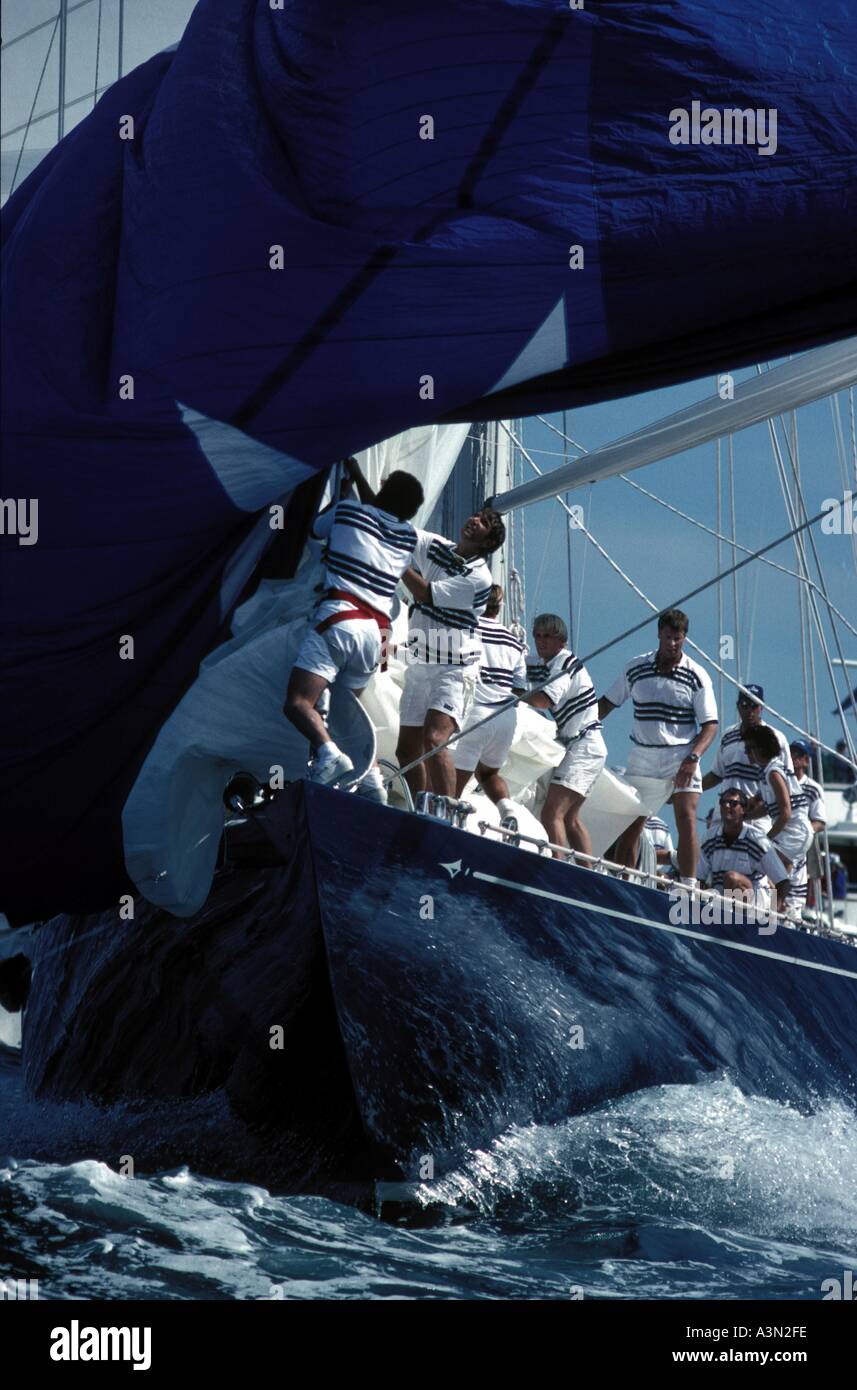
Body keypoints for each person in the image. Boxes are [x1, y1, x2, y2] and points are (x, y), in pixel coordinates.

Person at [285, 458, 423, 796]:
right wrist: (359, 480)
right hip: (377, 638)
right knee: (346, 719)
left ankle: (328, 755)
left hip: (340, 620)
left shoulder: (348, 511)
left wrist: (343, 490)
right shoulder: (408, 537)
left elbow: (315, 530)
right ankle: (372, 780)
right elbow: (379, 509)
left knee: (299, 703)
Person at [598, 608, 718, 885]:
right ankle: (624, 882)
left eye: (678, 638)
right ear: (659, 635)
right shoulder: (636, 668)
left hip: (682, 755)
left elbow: (710, 725)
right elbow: (607, 703)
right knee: (631, 823)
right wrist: (580, 723)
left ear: (685, 638)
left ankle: (688, 887)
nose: (672, 643)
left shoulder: (697, 676)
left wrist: (693, 758)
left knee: (686, 817)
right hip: (644, 756)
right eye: (668, 637)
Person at [396, 507, 505, 799]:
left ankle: (446, 811)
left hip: (453, 669)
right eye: (477, 516)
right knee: (406, 750)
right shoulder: (437, 546)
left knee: (434, 739)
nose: (475, 520)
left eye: (484, 523)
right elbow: (401, 530)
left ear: (488, 542)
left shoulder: (479, 578)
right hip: (420, 663)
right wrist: (385, 502)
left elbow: (426, 594)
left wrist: (398, 562)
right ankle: (420, 809)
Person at [518, 614, 606, 858]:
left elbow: (544, 700)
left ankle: (558, 866)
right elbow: (519, 663)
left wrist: (513, 695)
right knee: (571, 819)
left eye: (547, 636)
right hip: (587, 747)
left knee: (552, 813)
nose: (541, 641)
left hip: (583, 746)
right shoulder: (543, 663)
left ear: (562, 641)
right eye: (537, 636)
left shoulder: (565, 662)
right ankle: (588, 873)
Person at [452, 585, 527, 822]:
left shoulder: (467, 628)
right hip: (506, 717)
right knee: (487, 774)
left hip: (476, 713)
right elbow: (520, 688)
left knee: (452, 785)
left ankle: (448, 822)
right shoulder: (515, 642)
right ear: (500, 607)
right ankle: (508, 811)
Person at [701, 683, 793, 833]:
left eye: (754, 706)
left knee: (758, 847)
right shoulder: (728, 735)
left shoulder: (775, 738)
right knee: (711, 845)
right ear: (738, 706)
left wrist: (760, 802)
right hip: (726, 809)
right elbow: (717, 774)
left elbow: (787, 781)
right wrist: (689, 789)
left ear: (761, 707)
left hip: (756, 814)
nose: (749, 710)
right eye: (745, 705)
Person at [742, 723, 813, 915]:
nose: (747, 753)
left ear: (760, 749)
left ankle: (777, 910)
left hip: (795, 832)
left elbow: (786, 812)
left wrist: (767, 839)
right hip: (790, 830)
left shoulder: (774, 773)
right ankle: (778, 910)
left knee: (765, 862)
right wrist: (746, 816)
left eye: (749, 748)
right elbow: (769, 807)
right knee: (776, 874)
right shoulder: (767, 772)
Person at [697, 788, 791, 917]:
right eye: (723, 802)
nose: (726, 806)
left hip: (754, 909)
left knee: (732, 878)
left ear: (743, 809)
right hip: (721, 907)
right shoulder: (709, 838)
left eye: (733, 803)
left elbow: (783, 882)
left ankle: (738, 921)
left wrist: (773, 915)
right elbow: (699, 879)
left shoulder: (757, 840)